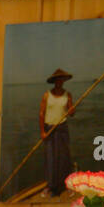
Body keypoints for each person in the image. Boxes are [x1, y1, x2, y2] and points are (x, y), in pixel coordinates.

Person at [40, 68, 75, 198]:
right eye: (58, 80)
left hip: (62, 128)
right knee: (50, 158)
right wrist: (43, 131)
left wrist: (72, 110)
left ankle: (67, 185)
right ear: (54, 81)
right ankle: (50, 186)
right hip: (49, 129)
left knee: (64, 157)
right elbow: (41, 113)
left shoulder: (68, 95)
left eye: (62, 79)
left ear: (64, 81)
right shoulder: (47, 95)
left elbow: (71, 113)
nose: (60, 82)